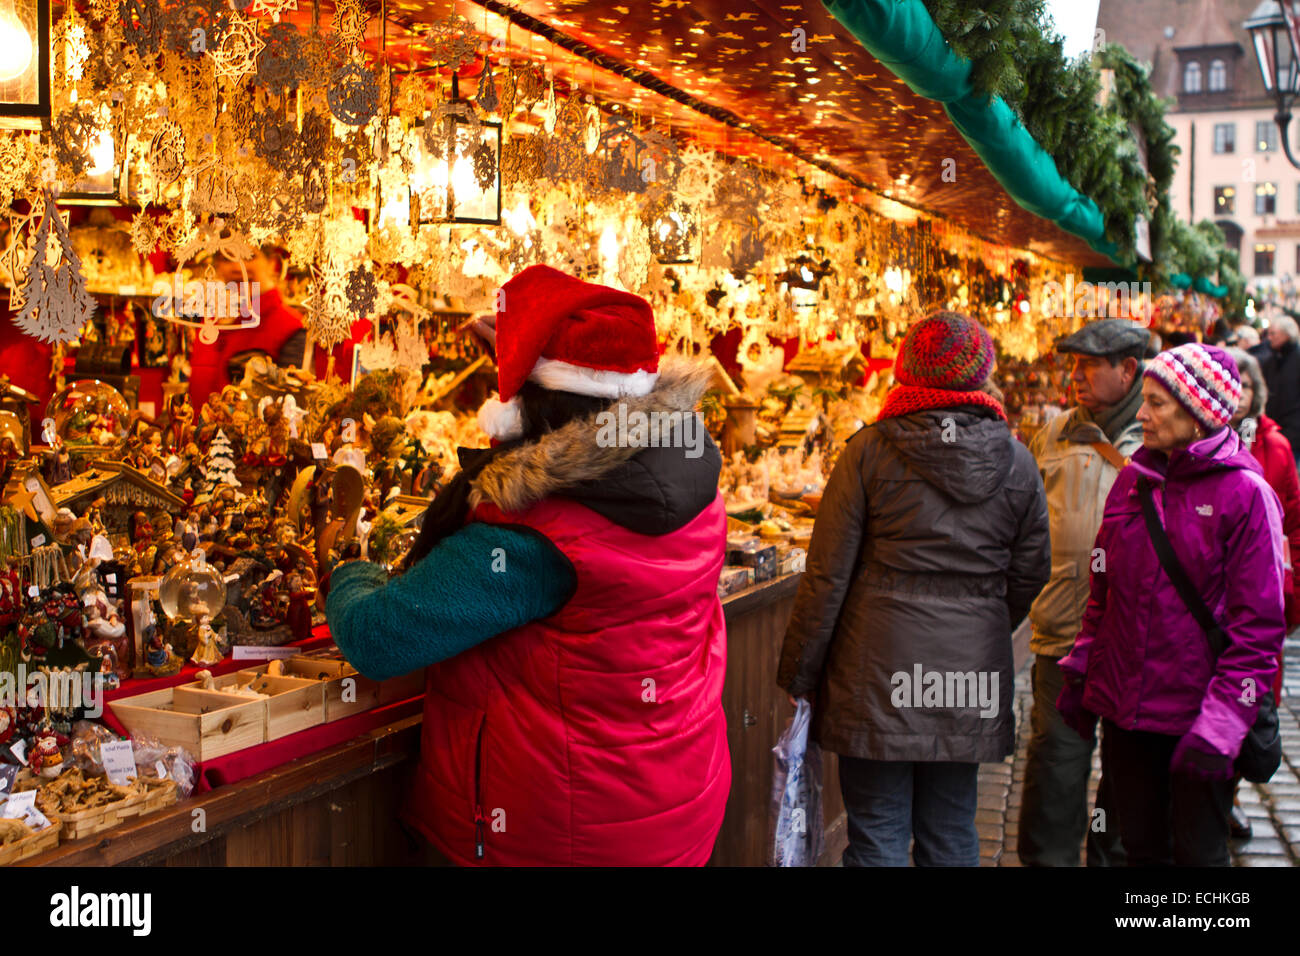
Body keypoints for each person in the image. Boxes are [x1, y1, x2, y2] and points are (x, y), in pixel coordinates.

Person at [324, 264, 730, 866]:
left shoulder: (540, 532)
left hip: (566, 832)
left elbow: (378, 636)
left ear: (542, 400)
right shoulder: (684, 479)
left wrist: (347, 566)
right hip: (671, 799)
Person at [777, 311, 1050, 867]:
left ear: (907, 371)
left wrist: (801, 674)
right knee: (950, 830)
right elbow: (1030, 574)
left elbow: (827, 574)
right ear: (983, 374)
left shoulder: (867, 452)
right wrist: (982, 624)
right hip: (966, 673)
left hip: (876, 672)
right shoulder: (1018, 460)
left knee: (876, 834)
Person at [1057, 344, 1285, 866]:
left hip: (1197, 721)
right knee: (1139, 853)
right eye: (1144, 401)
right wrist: (1082, 671)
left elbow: (1258, 633)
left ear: (1198, 412)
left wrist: (1223, 725)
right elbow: (1103, 590)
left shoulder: (1246, 495)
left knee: (1197, 859)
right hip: (1128, 719)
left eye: (1156, 403)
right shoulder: (1136, 480)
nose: (1141, 414)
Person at [1018, 319, 1148, 867]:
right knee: (1056, 761)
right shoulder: (1052, 434)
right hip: (1061, 633)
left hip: (1135, 643)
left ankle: (1112, 861)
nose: (1075, 376)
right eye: (1073, 365)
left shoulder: (1160, 434)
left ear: (1128, 370)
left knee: (1126, 773)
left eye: (1089, 365)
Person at [1226, 346, 1300, 839]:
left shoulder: (1275, 448)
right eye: (1233, 385)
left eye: (1247, 386)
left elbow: (1294, 526)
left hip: (1261, 606)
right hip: (1209, 605)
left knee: (1247, 707)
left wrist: (1290, 594)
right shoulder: (1192, 442)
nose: (1240, 396)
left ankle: (1228, 795)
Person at [186, 247, 307, 406]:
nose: (237, 267)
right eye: (227, 258)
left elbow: (286, 412)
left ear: (271, 264)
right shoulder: (210, 321)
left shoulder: (289, 327)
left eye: (249, 257)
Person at [1262, 315, 1300, 465]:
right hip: (1271, 432)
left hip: (1293, 436)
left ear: (1287, 334)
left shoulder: (1297, 359)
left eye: (1273, 334)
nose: (1269, 337)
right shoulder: (1270, 361)